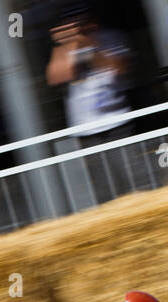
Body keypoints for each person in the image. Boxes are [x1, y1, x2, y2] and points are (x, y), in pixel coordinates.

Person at [46, 5, 134, 202]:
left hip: (116, 122)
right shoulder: (63, 48)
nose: (77, 28)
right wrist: (70, 45)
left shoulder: (111, 38)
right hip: (86, 130)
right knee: (103, 190)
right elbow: (57, 77)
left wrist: (88, 43)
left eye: (81, 23)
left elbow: (119, 68)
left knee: (132, 179)